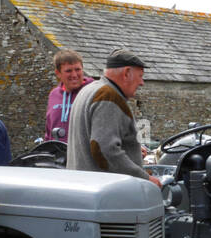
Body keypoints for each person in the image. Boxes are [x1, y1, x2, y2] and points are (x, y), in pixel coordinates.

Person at [67, 47, 159, 185]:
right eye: (140, 76)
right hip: (103, 193)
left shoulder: (89, 90)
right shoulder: (108, 96)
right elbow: (104, 150)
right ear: (127, 73)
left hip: (83, 187)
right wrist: (144, 178)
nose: (142, 82)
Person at [44, 50, 93, 143]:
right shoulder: (53, 95)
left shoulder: (93, 91)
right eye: (68, 71)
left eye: (77, 69)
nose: (74, 75)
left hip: (84, 155)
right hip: (58, 155)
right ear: (58, 73)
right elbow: (49, 131)